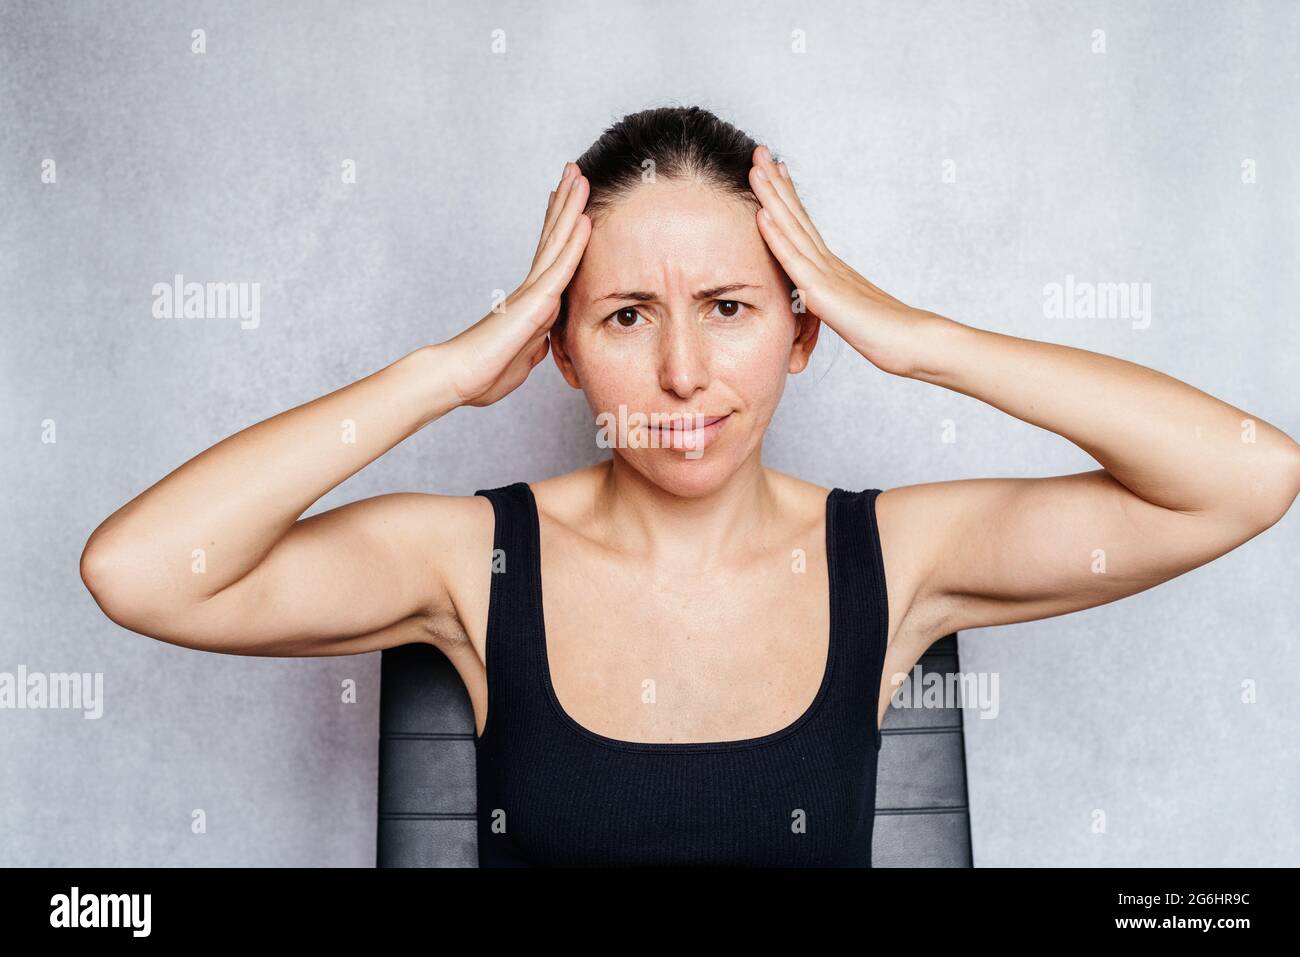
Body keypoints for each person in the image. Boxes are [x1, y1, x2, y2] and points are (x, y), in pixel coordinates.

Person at [79, 106, 1300, 866]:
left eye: (729, 309)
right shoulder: (470, 560)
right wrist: (441, 374)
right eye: (621, 315)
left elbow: (1246, 480)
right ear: (556, 347)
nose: (679, 370)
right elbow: (136, 572)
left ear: (802, 330)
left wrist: (923, 337)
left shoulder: (898, 558)